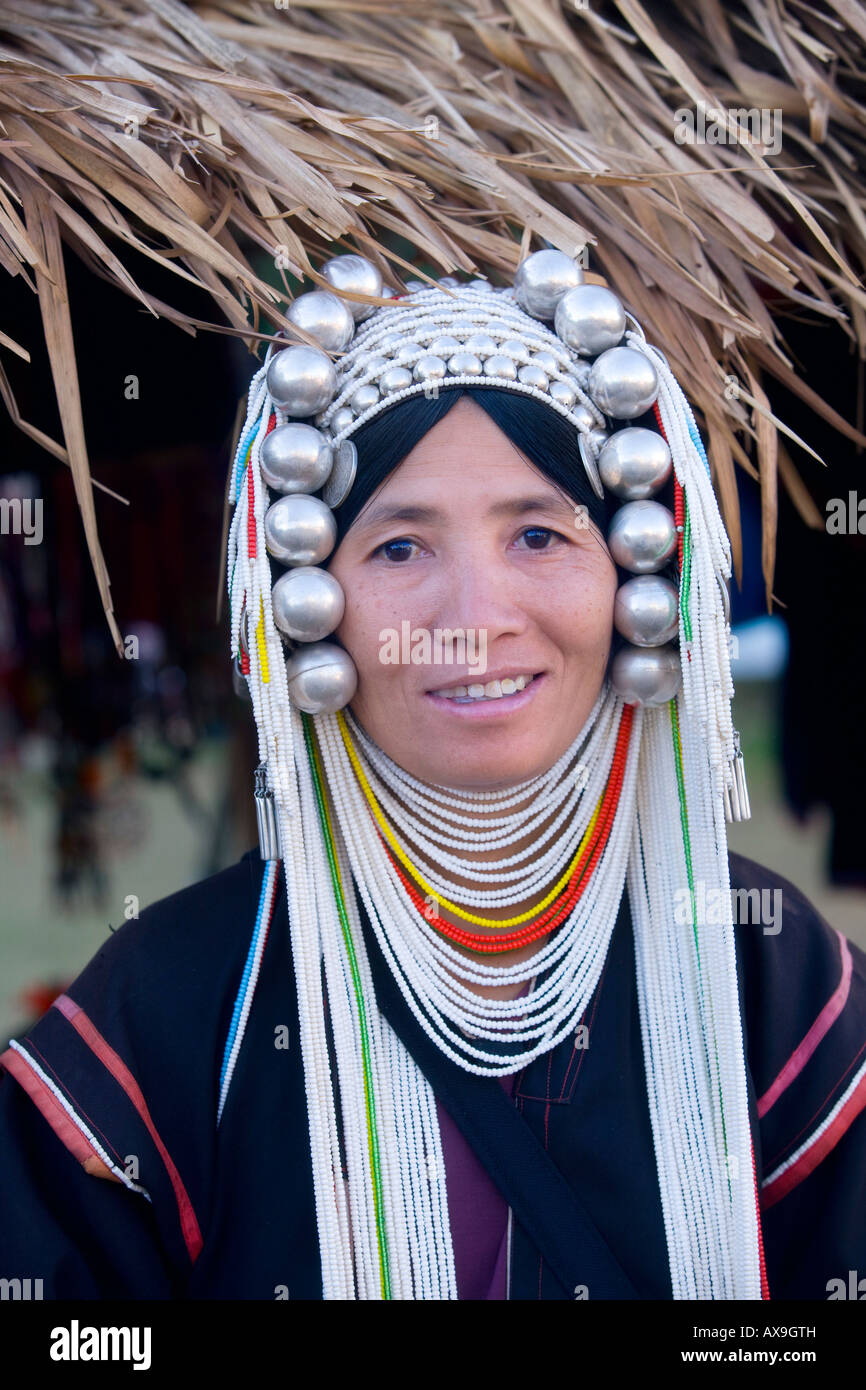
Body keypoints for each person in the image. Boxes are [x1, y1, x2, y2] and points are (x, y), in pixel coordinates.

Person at [1, 258, 864, 1301]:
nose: (473, 612)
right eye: (401, 545)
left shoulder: (771, 982)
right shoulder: (175, 1008)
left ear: (633, 579)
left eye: (539, 534)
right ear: (303, 597)